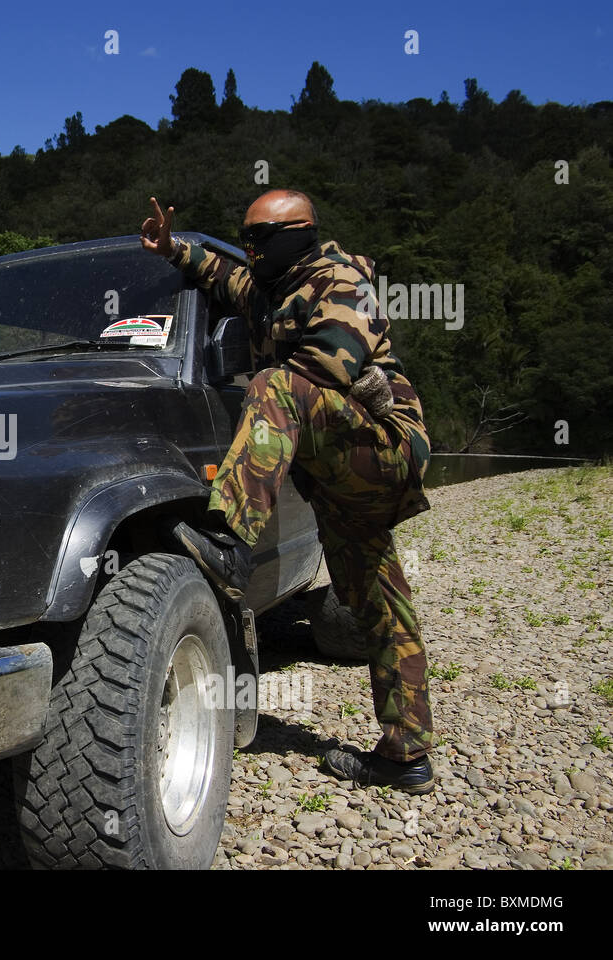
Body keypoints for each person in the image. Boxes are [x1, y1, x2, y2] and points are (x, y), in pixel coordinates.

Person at [140, 190, 436, 794]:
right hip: (336, 470)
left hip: (384, 446)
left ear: (297, 235)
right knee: (379, 605)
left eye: (259, 240)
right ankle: (407, 756)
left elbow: (327, 369)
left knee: (278, 382)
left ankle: (231, 541)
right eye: (244, 239)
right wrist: (174, 249)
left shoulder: (343, 280)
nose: (248, 251)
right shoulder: (266, 286)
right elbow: (218, 274)